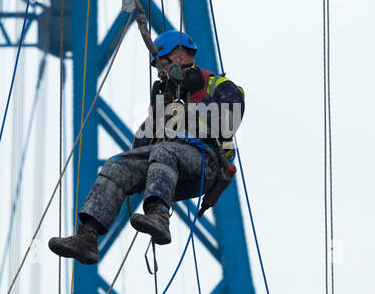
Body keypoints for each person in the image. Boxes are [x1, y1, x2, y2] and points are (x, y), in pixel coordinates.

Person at [48, 29, 245, 265]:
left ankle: (159, 217)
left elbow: (228, 119)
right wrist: (158, 115)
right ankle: (87, 237)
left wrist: (190, 99)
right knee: (117, 165)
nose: (160, 72)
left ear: (182, 55)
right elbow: (140, 146)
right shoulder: (165, 98)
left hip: (205, 162)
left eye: (163, 63)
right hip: (167, 166)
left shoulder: (217, 85)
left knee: (164, 152)